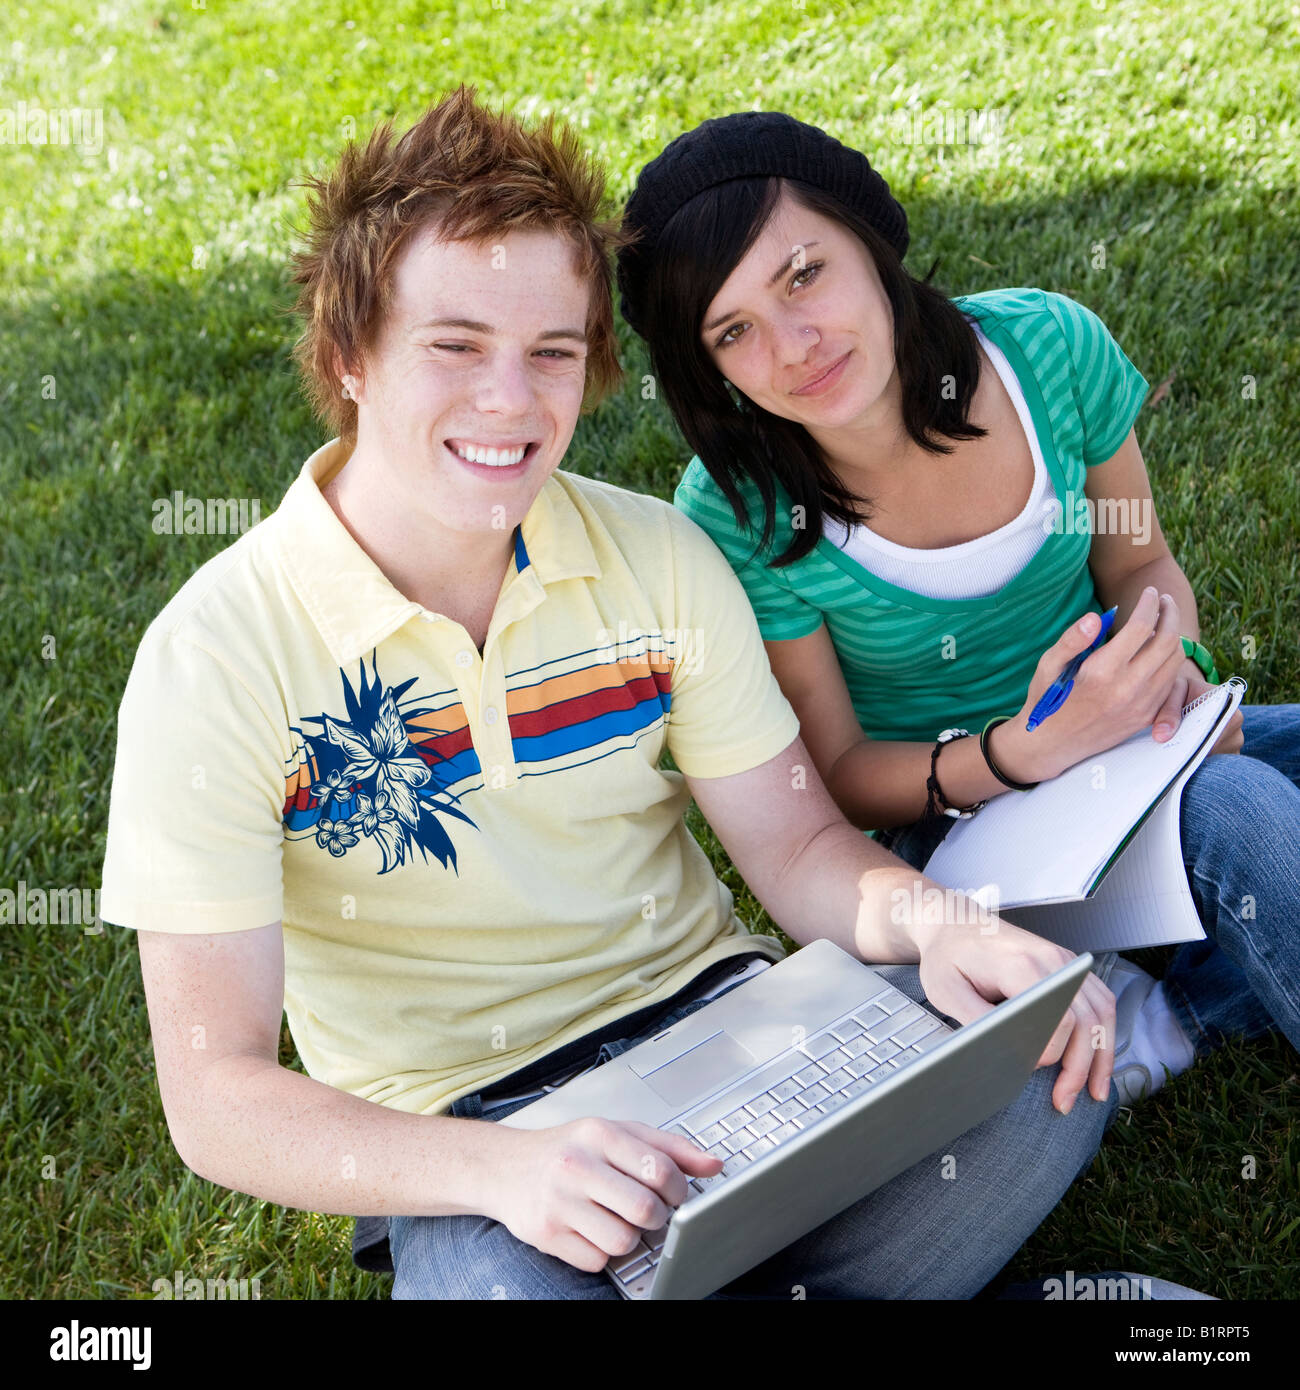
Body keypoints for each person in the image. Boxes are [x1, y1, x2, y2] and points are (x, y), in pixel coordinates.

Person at [100, 84, 1133, 1304]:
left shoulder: (656, 556)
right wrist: (507, 1170)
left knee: (1036, 1053)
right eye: (454, 346)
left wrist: (944, 925)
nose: (511, 399)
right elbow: (216, 1095)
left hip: (734, 1030)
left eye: (550, 352)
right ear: (349, 359)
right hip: (475, 1138)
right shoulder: (213, 657)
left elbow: (800, 847)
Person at [613, 110, 1300, 1113]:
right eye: (733, 330)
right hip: (955, 828)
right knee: (1235, 808)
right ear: (707, 367)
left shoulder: (1050, 350)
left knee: (1249, 787)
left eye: (804, 275)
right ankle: (1176, 996)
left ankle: (1166, 1002)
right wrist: (1024, 751)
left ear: (869, 240)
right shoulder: (740, 511)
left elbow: (1139, 561)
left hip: (1123, 744)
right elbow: (840, 773)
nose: (794, 346)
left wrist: (1175, 673)